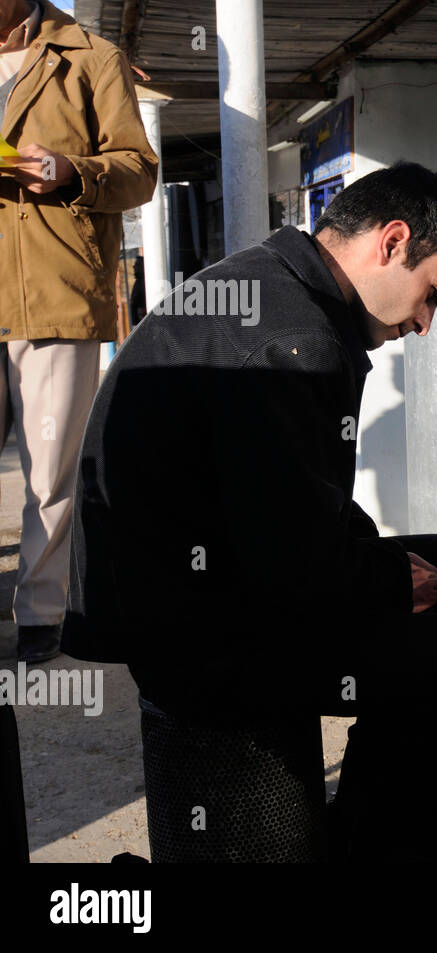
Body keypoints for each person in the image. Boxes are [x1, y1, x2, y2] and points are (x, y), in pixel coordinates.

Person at [63, 162, 437, 861]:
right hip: (205, 639)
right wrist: (383, 579)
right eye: (430, 294)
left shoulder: (272, 288)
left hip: (192, 596)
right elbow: (291, 569)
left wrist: (386, 565)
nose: (425, 323)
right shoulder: (298, 340)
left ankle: (371, 826)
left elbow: (288, 498)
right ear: (392, 240)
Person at [0, 0, 157, 663]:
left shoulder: (92, 56)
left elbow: (140, 171)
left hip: (56, 290)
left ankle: (41, 618)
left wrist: (71, 173)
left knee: (50, 472)